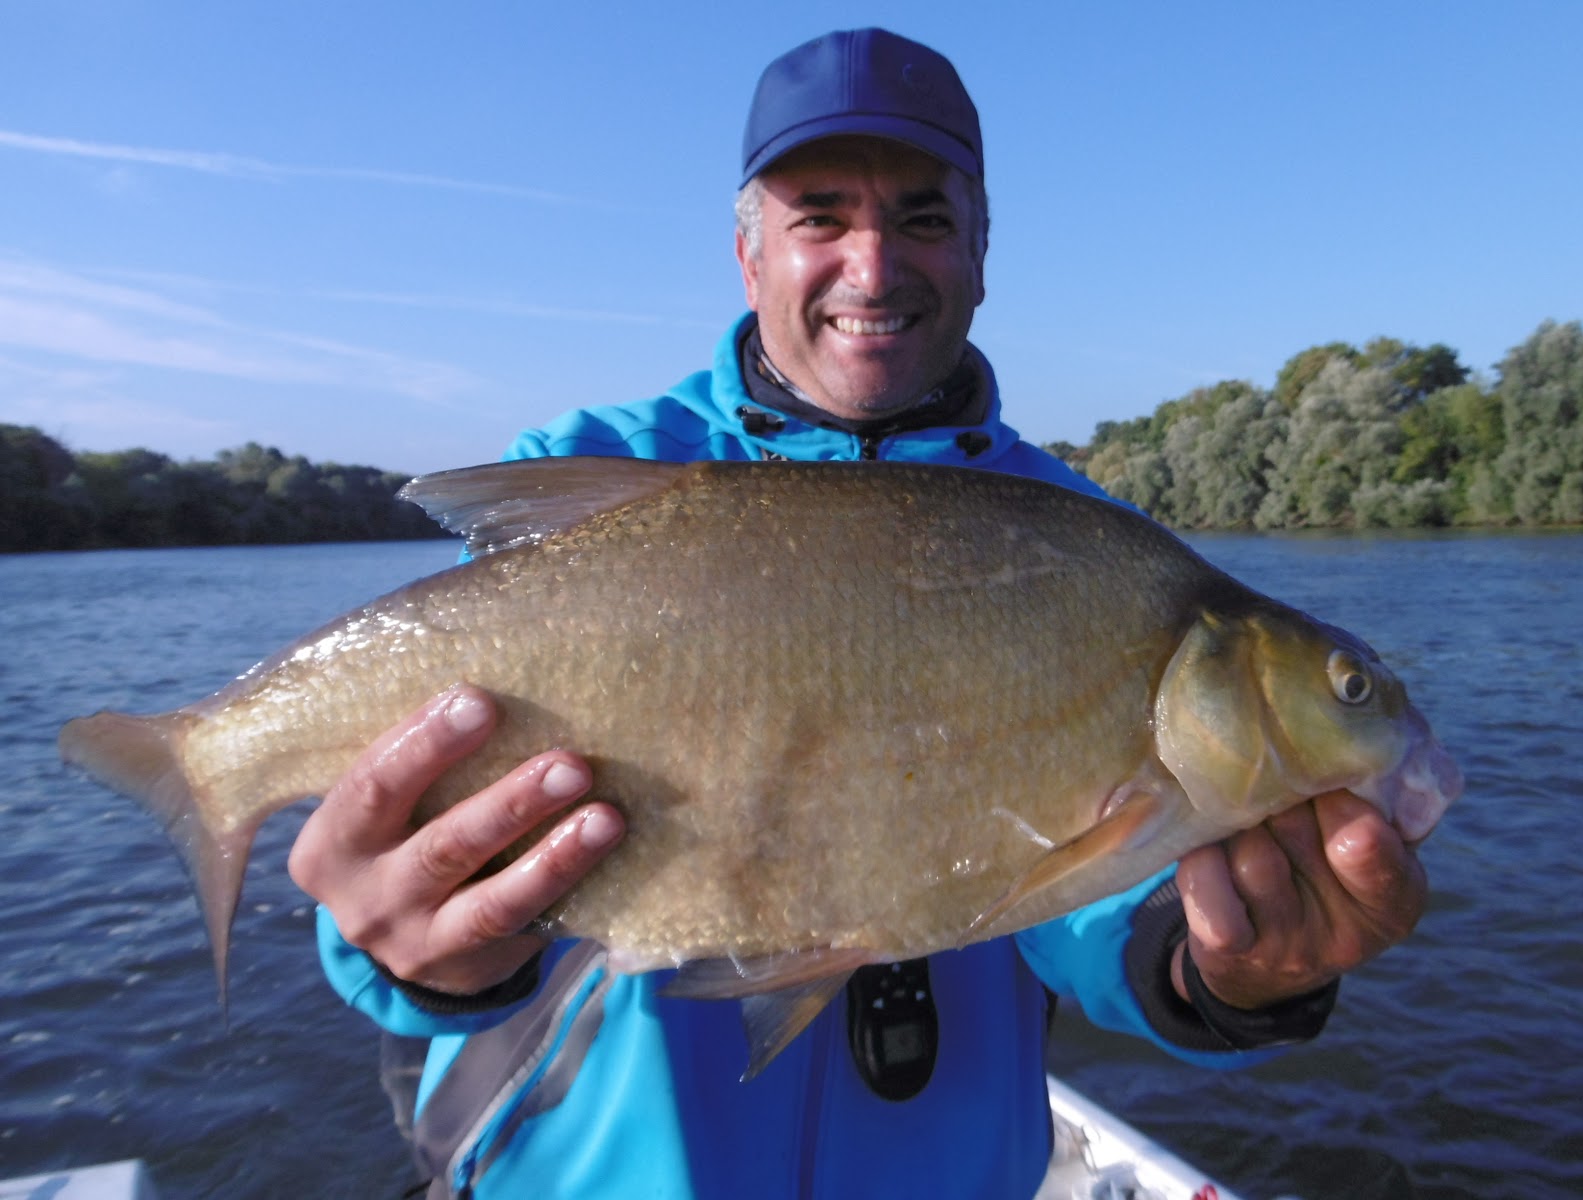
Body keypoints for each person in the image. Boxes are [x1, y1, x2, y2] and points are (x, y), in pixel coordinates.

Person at [288, 28, 1429, 1199]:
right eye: (819, 218)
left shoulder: (1090, 549)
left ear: (980, 252)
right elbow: (411, 813)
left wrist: (1224, 968)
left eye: (922, 219)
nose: (872, 268)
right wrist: (416, 951)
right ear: (749, 257)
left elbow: (1097, 891)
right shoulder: (591, 472)